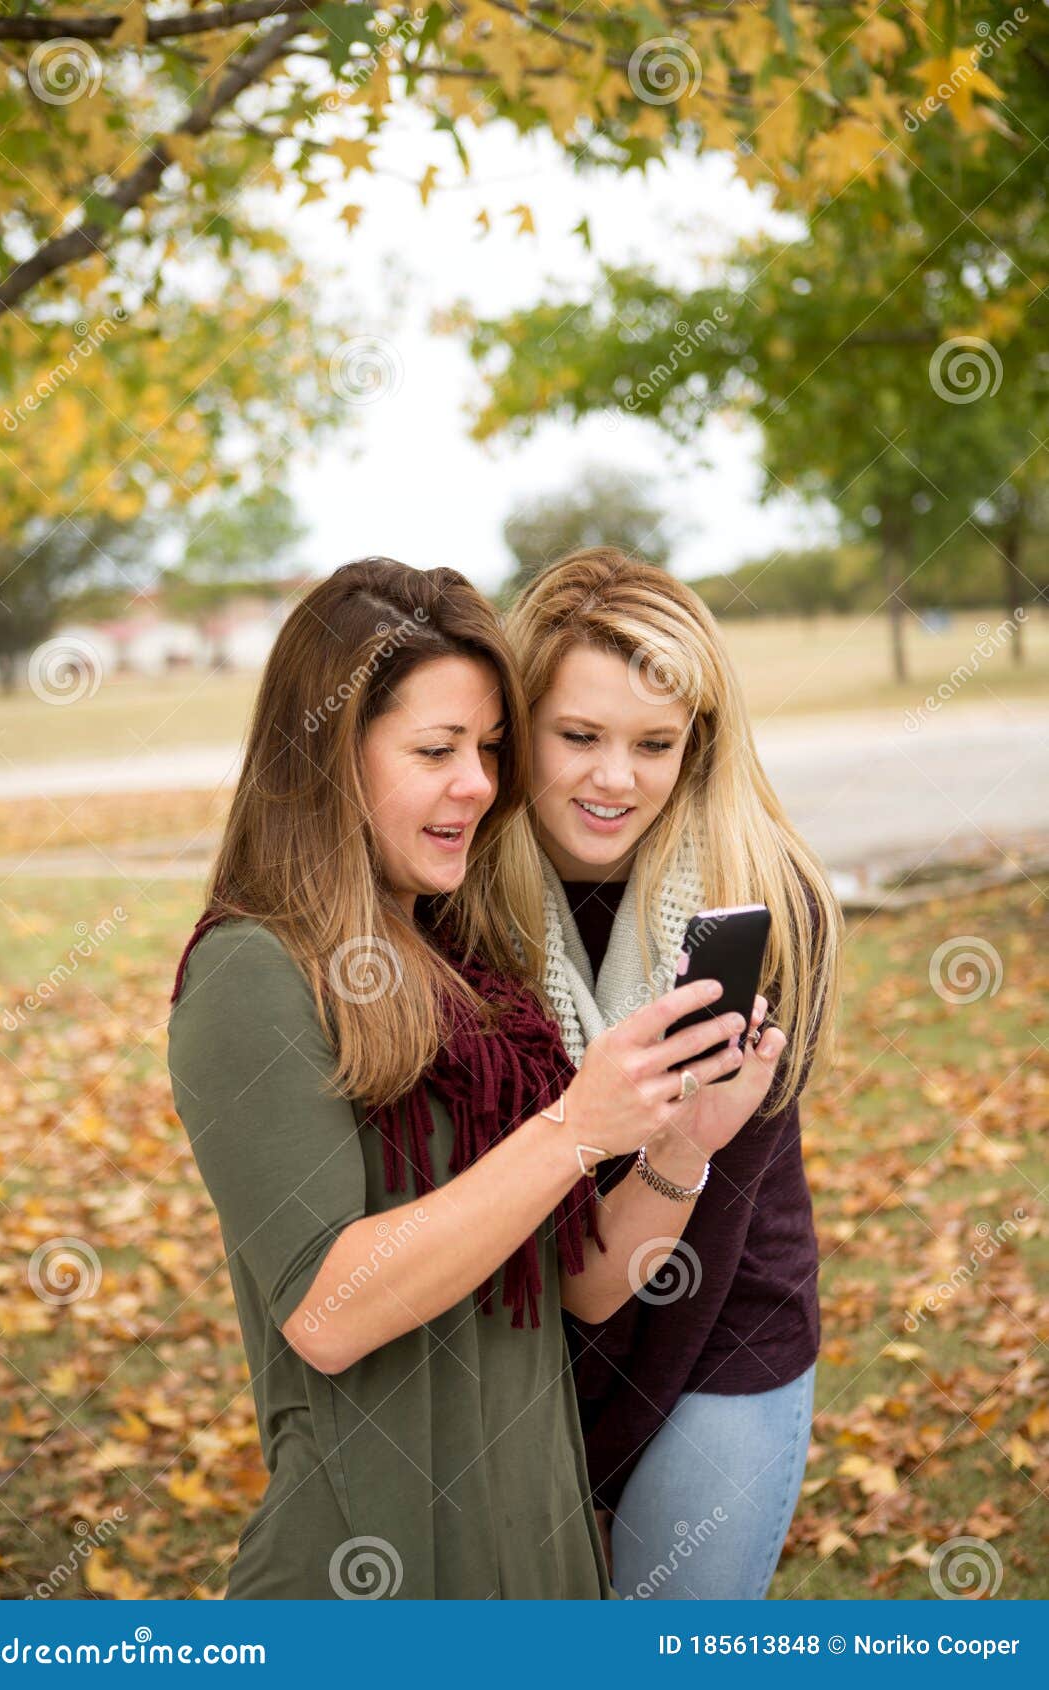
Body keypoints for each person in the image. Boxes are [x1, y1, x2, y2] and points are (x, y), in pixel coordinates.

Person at [166, 557, 788, 1599]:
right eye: (436, 750)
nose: (480, 785)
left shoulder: (468, 962)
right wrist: (570, 1130)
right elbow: (328, 1312)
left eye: (491, 749)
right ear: (325, 753)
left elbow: (580, 1285)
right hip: (376, 1573)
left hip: (538, 1561)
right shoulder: (249, 973)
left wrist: (684, 1143)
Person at [502, 547, 843, 1600]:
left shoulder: (755, 895)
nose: (616, 778)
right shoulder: (469, 895)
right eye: (577, 737)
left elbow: (717, 1198)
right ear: (518, 729)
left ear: (695, 745)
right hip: (530, 1341)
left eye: (654, 743)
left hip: (719, 1324)